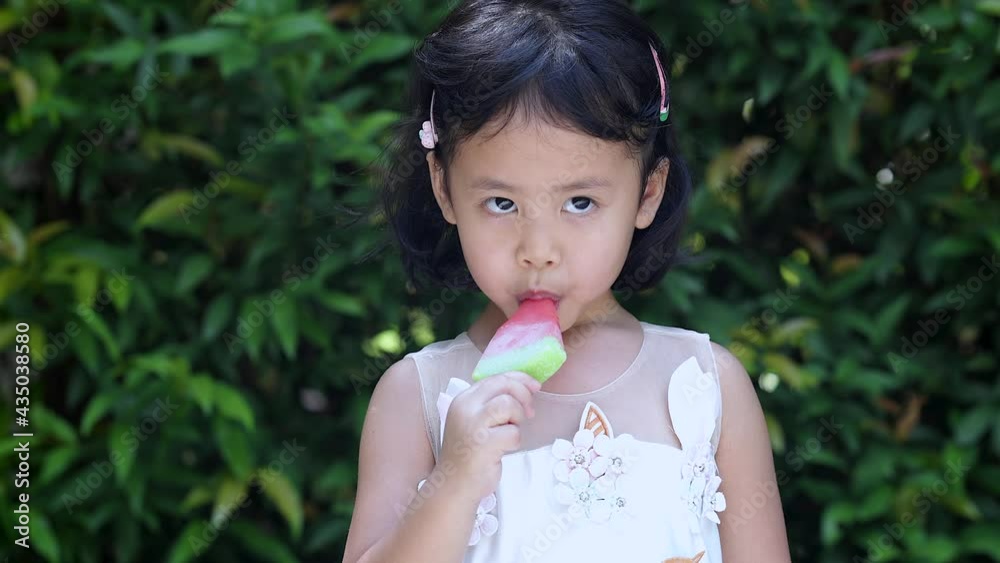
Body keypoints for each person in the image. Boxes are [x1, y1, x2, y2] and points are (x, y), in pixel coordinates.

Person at [343, 1, 792, 561]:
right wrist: (453, 481)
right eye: (501, 202)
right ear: (443, 188)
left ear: (647, 193)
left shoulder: (706, 387)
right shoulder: (420, 397)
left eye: (580, 202)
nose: (538, 251)